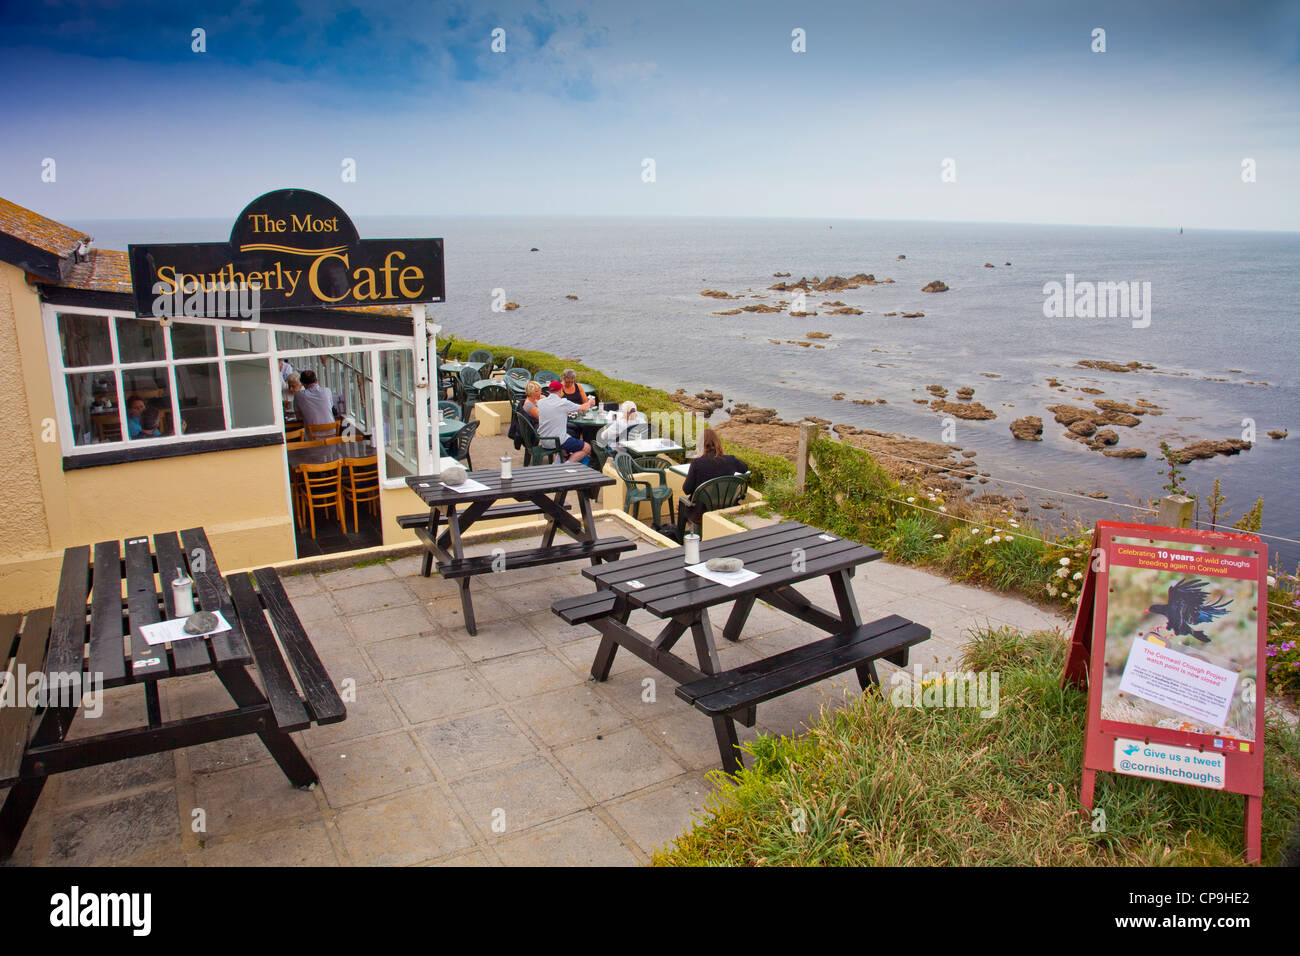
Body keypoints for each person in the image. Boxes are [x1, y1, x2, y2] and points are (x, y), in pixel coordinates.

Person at [676, 428, 747, 536]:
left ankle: (681, 536)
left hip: (701, 512)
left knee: (681, 504)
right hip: (727, 506)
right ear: (717, 442)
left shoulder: (697, 462)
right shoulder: (730, 460)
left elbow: (686, 490)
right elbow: (744, 468)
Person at [536, 380, 590, 463]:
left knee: (569, 435)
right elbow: (583, 408)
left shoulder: (540, 402)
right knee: (587, 447)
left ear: (550, 391)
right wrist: (590, 402)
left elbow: (551, 409)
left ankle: (559, 461)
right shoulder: (563, 403)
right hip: (557, 441)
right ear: (561, 390)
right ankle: (565, 466)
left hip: (543, 440)